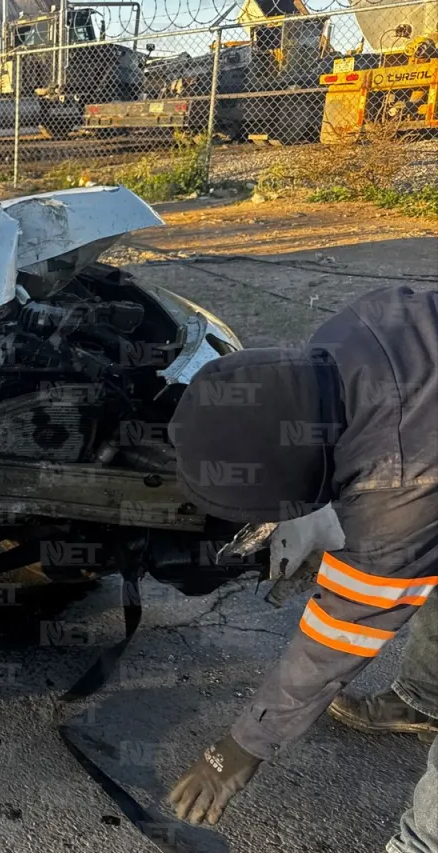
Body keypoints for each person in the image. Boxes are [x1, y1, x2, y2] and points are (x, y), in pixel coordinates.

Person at [164, 285, 438, 852]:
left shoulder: (401, 487)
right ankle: (426, 699)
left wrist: (242, 746)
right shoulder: (350, 331)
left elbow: (342, 630)